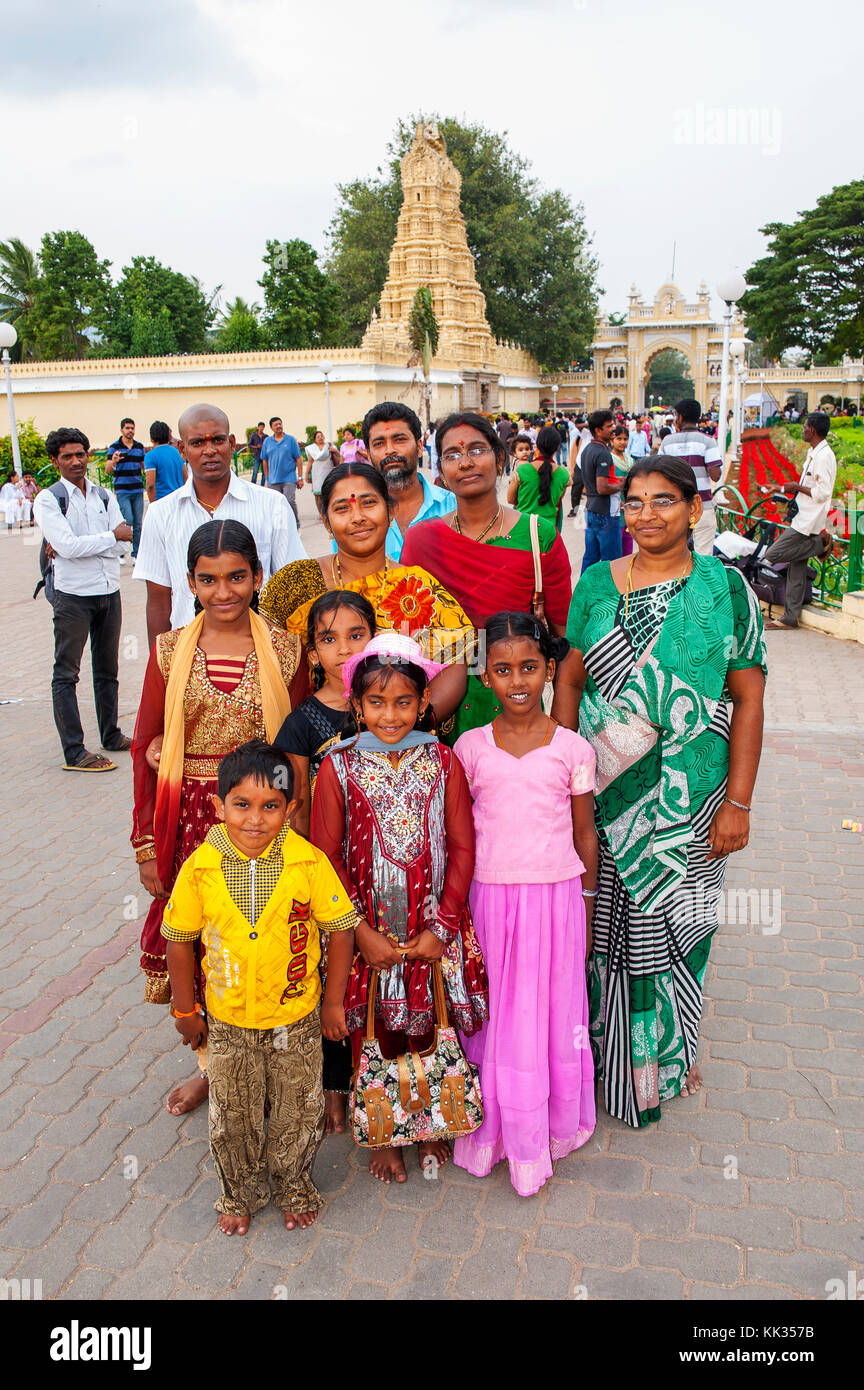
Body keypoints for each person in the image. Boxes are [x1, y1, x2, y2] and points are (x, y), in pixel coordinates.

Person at [566, 457, 766, 1127]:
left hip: (695, 798)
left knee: (682, 930)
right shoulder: (596, 583)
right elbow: (569, 681)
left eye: (664, 502)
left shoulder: (725, 589)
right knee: (604, 935)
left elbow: (748, 700)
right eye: (635, 502)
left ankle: (667, 1060)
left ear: (695, 508)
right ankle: (608, 1059)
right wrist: (562, 778)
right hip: (605, 792)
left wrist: (738, 802)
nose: (647, 514)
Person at [132, 520, 300, 1115]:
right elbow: (145, 744)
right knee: (205, 945)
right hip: (188, 826)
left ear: (257, 577)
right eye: (208, 580)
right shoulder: (171, 650)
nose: (223, 591)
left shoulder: (284, 648)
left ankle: (271, 1064)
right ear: (190, 582)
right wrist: (146, 843)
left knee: (260, 939)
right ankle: (211, 1064)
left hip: (260, 824)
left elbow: (298, 742)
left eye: (236, 577)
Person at [310, 633, 489, 1183]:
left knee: (432, 1019)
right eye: (377, 703)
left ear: (424, 702)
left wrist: (446, 923)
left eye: (404, 702)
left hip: (431, 923)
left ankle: (432, 1121)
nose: (391, 715)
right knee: (376, 1025)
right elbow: (325, 857)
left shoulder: (443, 761)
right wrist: (357, 930)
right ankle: (383, 1132)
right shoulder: (336, 768)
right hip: (367, 927)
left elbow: (462, 846)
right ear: (356, 705)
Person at [162, 739, 358, 1235]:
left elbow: (340, 930)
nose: (255, 819)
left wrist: (333, 1001)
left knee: (298, 1109)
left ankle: (294, 1185)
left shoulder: (308, 862)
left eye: (271, 806)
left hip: (296, 1017)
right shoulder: (200, 868)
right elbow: (180, 942)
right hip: (227, 1022)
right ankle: (240, 1191)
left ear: (289, 809)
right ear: (218, 805)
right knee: (232, 1116)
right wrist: (184, 1009)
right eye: (242, 805)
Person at [452, 612, 597, 1195]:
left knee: (549, 1013)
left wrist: (586, 902)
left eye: (530, 668)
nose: (517, 680)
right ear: (483, 676)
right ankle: (491, 1130)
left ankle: (547, 1128)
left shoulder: (572, 748)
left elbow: (585, 833)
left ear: (549, 670)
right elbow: (459, 834)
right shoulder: (468, 748)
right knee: (496, 1014)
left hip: (556, 898)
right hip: (489, 899)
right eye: (502, 668)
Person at [400, 411, 576, 738]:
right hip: (437, 711)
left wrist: (560, 730)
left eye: (477, 450)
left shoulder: (539, 535)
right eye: (452, 455)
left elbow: (567, 640)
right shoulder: (422, 539)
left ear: (499, 458)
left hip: (516, 707)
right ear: (441, 471)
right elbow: (408, 635)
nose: (465, 462)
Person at [258, 460, 472, 719]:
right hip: (312, 739)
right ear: (326, 522)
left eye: (369, 503)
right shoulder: (295, 583)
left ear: (390, 511)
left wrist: (411, 726)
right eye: (342, 508)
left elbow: (456, 660)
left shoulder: (417, 586)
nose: (358, 517)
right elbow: (259, 660)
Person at [274, 590, 376, 1133]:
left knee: (378, 976)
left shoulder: (392, 702)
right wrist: (309, 874)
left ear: (374, 639)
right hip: (329, 867)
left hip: (389, 866)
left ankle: (379, 1079)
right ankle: (335, 1086)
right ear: (312, 652)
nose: (342, 650)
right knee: (333, 976)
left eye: (355, 635)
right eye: (328, 639)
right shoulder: (302, 723)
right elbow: (297, 808)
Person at [134, 404, 306, 650]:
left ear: (232, 443)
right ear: (182, 449)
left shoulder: (272, 506)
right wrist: (160, 668)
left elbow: (293, 589)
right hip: (188, 654)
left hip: (261, 652)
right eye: (197, 444)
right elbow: (159, 601)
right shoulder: (161, 514)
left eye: (217, 440)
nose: (209, 450)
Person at [34, 429, 133, 772]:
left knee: (108, 670)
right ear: (55, 461)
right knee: (66, 674)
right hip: (73, 596)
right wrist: (109, 537)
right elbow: (67, 547)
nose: (75, 461)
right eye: (67, 456)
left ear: (88, 455)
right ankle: (74, 751)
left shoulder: (103, 496)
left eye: (80, 454)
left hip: (108, 591)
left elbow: (126, 544)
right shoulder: (49, 499)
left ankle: (111, 734)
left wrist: (99, 541)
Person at [763, 411, 836, 630]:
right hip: (804, 516)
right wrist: (783, 487)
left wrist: (796, 487)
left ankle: (820, 544)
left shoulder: (824, 456)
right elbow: (808, 485)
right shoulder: (814, 452)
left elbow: (823, 492)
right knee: (796, 568)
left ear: (812, 430)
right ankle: (790, 617)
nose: (803, 429)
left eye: (804, 427)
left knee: (772, 554)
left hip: (809, 520)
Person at [362, 401, 455, 559]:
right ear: (369, 455)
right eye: (379, 443)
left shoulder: (453, 507)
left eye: (399, 440)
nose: (390, 450)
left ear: (419, 447)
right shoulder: (357, 519)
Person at [658, 398, 722, 555]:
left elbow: (658, 474)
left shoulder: (667, 441)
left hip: (674, 508)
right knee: (703, 557)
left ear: (679, 417)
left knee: (675, 555)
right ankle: (700, 580)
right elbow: (716, 476)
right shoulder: (707, 441)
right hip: (702, 506)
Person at [579, 410, 622, 571]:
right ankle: (610, 596)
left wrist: (616, 482)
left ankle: (583, 593)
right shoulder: (603, 453)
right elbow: (602, 488)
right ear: (598, 430)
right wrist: (621, 486)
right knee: (612, 562)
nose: (613, 428)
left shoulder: (587, 450)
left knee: (590, 557)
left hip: (591, 509)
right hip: (606, 513)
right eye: (609, 426)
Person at [507, 424, 570, 528]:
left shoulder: (522, 469)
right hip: (549, 529)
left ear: (537, 446)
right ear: (557, 447)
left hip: (524, 527)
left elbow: (511, 499)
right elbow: (558, 499)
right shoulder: (563, 473)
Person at [106, 417, 146, 560]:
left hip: (137, 489)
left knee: (138, 523)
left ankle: (136, 554)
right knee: (127, 521)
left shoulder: (139, 447)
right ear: (122, 429)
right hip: (123, 490)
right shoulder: (115, 447)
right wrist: (114, 461)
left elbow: (144, 466)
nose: (130, 431)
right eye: (127, 428)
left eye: (132, 428)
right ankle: (122, 553)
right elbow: (107, 470)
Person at [261, 417, 302, 524]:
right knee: (276, 505)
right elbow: (264, 460)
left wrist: (300, 477)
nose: (279, 426)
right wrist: (267, 476)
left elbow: (298, 458)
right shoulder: (267, 442)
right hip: (273, 480)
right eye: (276, 425)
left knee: (289, 501)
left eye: (280, 424)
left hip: (289, 478)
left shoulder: (290, 440)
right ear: (271, 428)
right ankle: (281, 526)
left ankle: (295, 523)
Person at [144, 421, 185, 502]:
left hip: (162, 501)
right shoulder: (177, 452)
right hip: (179, 499)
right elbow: (185, 477)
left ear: (151, 438)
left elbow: (150, 485)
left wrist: (153, 505)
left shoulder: (150, 456)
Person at [610, 423, 634, 556]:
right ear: (612, 440)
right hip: (614, 509)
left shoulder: (630, 461)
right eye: (619, 439)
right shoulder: (609, 460)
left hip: (629, 508)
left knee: (628, 547)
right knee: (615, 549)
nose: (622, 442)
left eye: (625, 439)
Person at [303, 429, 338, 513]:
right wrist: (307, 474)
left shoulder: (330, 447)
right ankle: (322, 512)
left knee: (329, 491)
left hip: (328, 472)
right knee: (318, 494)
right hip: (317, 474)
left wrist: (335, 451)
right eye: (318, 437)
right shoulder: (312, 449)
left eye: (321, 436)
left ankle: (330, 510)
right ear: (315, 439)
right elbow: (310, 462)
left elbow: (340, 457)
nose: (320, 438)